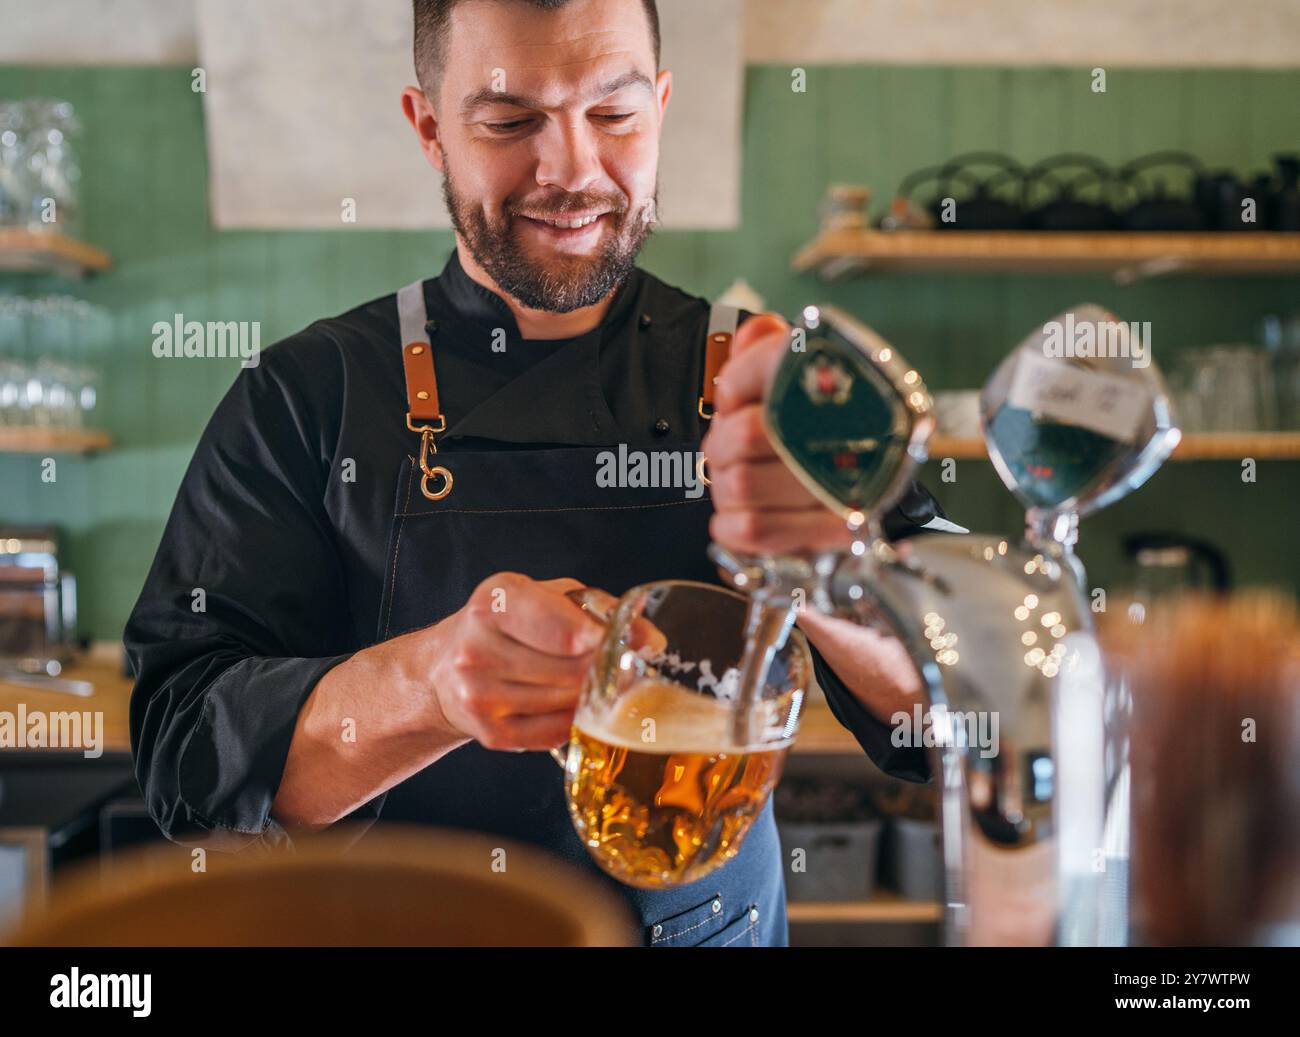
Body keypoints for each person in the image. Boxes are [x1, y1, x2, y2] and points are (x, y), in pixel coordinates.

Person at [127, 0, 948, 947]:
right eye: (511, 120)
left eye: (615, 115)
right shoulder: (301, 397)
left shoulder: (776, 389)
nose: (572, 171)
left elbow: (972, 707)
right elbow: (186, 753)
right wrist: (427, 685)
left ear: (663, 106)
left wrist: (834, 562)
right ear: (429, 127)